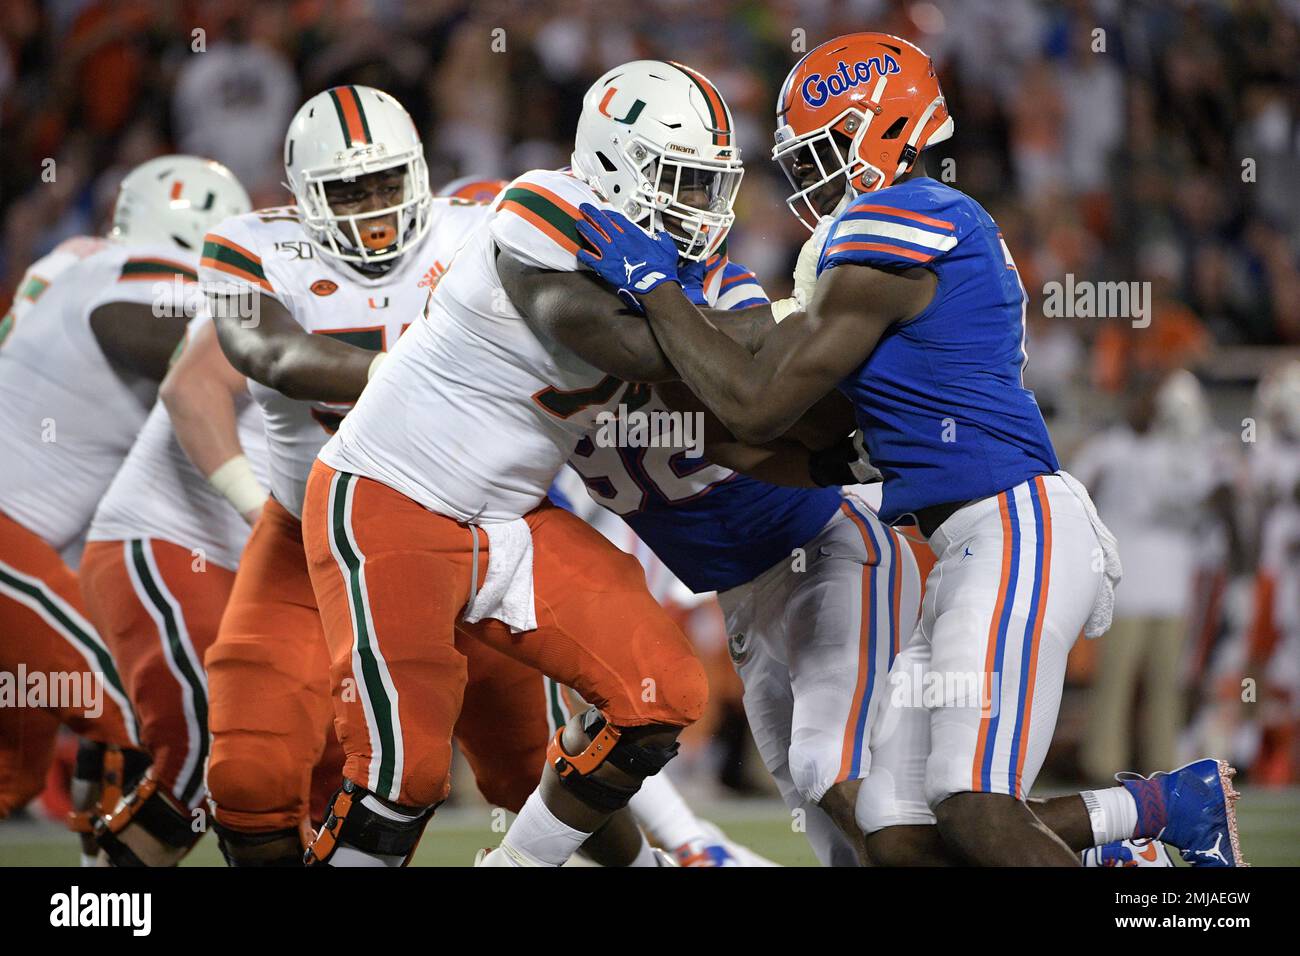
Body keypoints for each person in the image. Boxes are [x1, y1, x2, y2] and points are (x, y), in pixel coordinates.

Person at [573, 33, 1245, 867]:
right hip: (967, 539)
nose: (811, 180)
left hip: (1011, 527)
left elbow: (758, 396)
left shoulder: (907, 216)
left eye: (823, 151)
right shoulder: (899, 232)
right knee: (900, 838)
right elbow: (775, 408)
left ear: (882, 128)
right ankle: (1155, 815)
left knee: (975, 810)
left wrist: (655, 290)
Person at [0, 155, 249, 864]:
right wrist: (269, 360)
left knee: (12, 771)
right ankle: (103, 895)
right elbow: (134, 327)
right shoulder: (136, 268)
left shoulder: (72, 262)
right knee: (138, 709)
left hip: (27, 536)